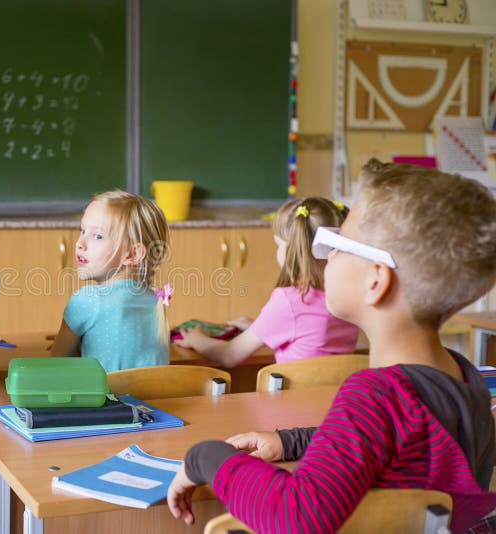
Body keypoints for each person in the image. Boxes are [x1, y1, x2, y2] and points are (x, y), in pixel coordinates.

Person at [167, 159, 496, 533]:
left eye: (337, 245)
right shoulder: (464, 377)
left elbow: (294, 516)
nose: (324, 256)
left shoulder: (374, 394)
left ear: (376, 281)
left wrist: (204, 457)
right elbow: (381, 440)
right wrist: (290, 441)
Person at [174, 197, 358, 367]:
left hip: (293, 393)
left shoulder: (290, 301)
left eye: (278, 245)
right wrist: (258, 327)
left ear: (293, 249)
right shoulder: (349, 295)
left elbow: (229, 355)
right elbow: (307, 336)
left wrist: (196, 339)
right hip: (334, 392)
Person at [50, 190, 171, 372]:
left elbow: (56, 364)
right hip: (154, 392)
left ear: (132, 254)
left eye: (97, 236)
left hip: (108, 392)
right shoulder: (156, 300)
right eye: (83, 231)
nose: (79, 243)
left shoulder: (87, 300)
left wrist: (69, 344)